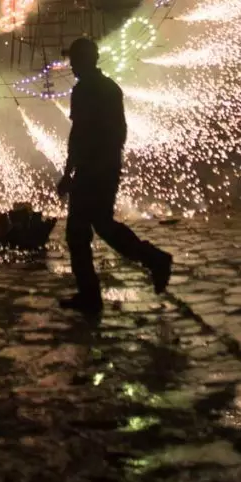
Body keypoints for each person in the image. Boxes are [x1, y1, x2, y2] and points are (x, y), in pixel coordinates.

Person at [56, 37, 172, 314]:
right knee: (102, 226)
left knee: (79, 233)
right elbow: (119, 133)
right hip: (105, 167)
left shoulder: (84, 91)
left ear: (85, 61)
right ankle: (151, 260)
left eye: (74, 61)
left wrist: (71, 171)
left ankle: (94, 295)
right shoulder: (110, 88)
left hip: (92, 169)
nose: (72, 67)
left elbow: (79, 134)